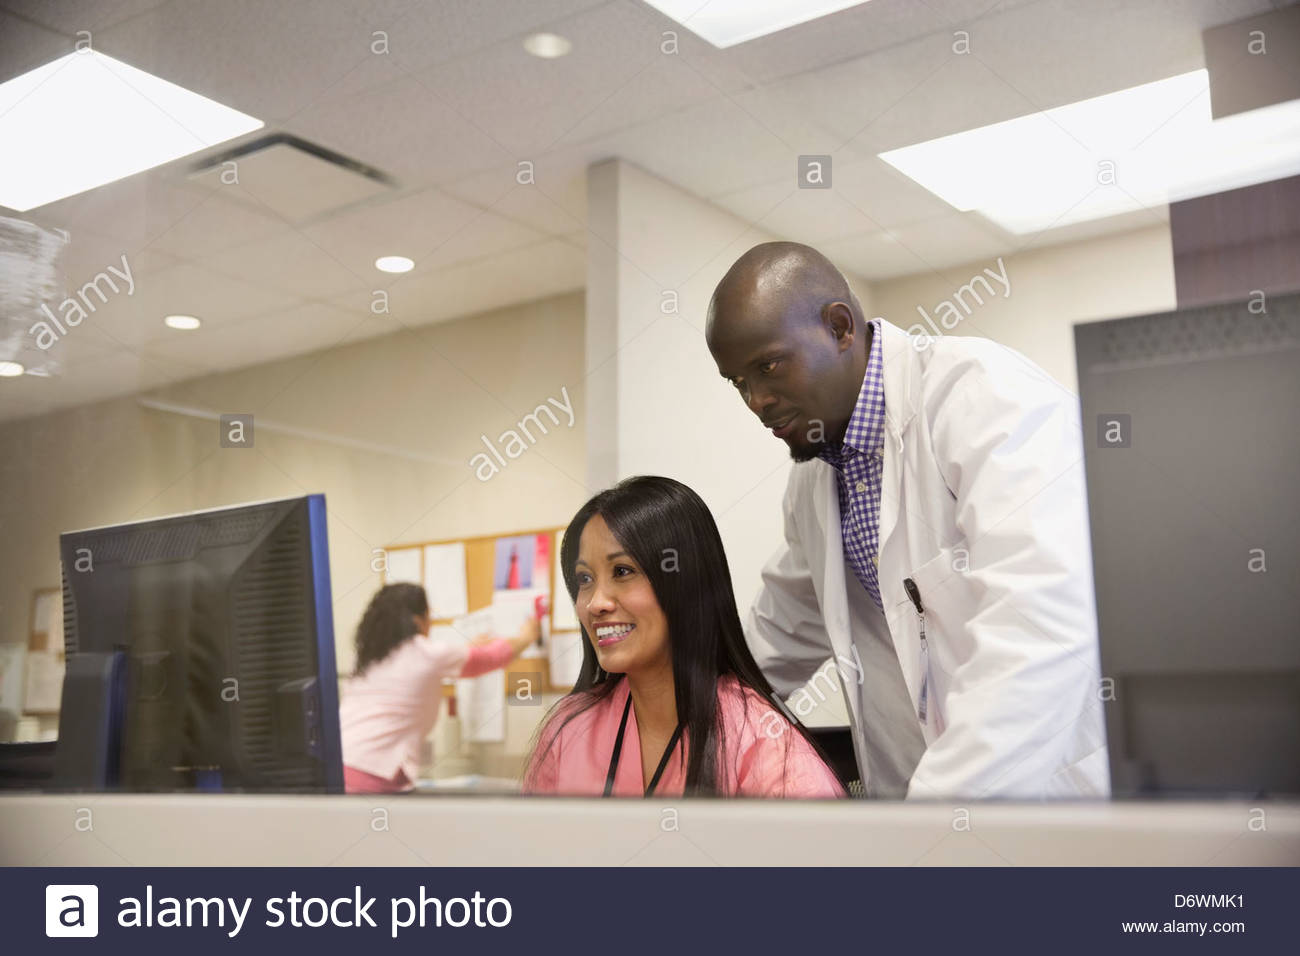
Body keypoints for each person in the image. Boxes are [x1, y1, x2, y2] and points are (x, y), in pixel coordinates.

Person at [705, 241, 1109, 800]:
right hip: (912, 815)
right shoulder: (815, 478)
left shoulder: (984, 398)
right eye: (738, 383)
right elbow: (778, 639)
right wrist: (681, 726)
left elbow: (1040, 631)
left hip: (1045, 805)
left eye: (767, 366)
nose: (756, 401)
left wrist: (935, 819)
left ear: (840, 327)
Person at [522, 476, 844, 798]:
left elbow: (831, 847)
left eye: (622, 571)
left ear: (684, 581)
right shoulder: (569, 731)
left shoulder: (764, 742)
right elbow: (531, 845)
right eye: (585, 578)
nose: (595, 603)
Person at [340, 582, 544, 793]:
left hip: (339, 762)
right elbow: (491, 658)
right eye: (429, 618)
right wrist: (527, 636)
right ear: (417, 621)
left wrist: (468, 649)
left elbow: (421, 667)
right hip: (375, 772)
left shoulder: (366, 657)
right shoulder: (425, 653)